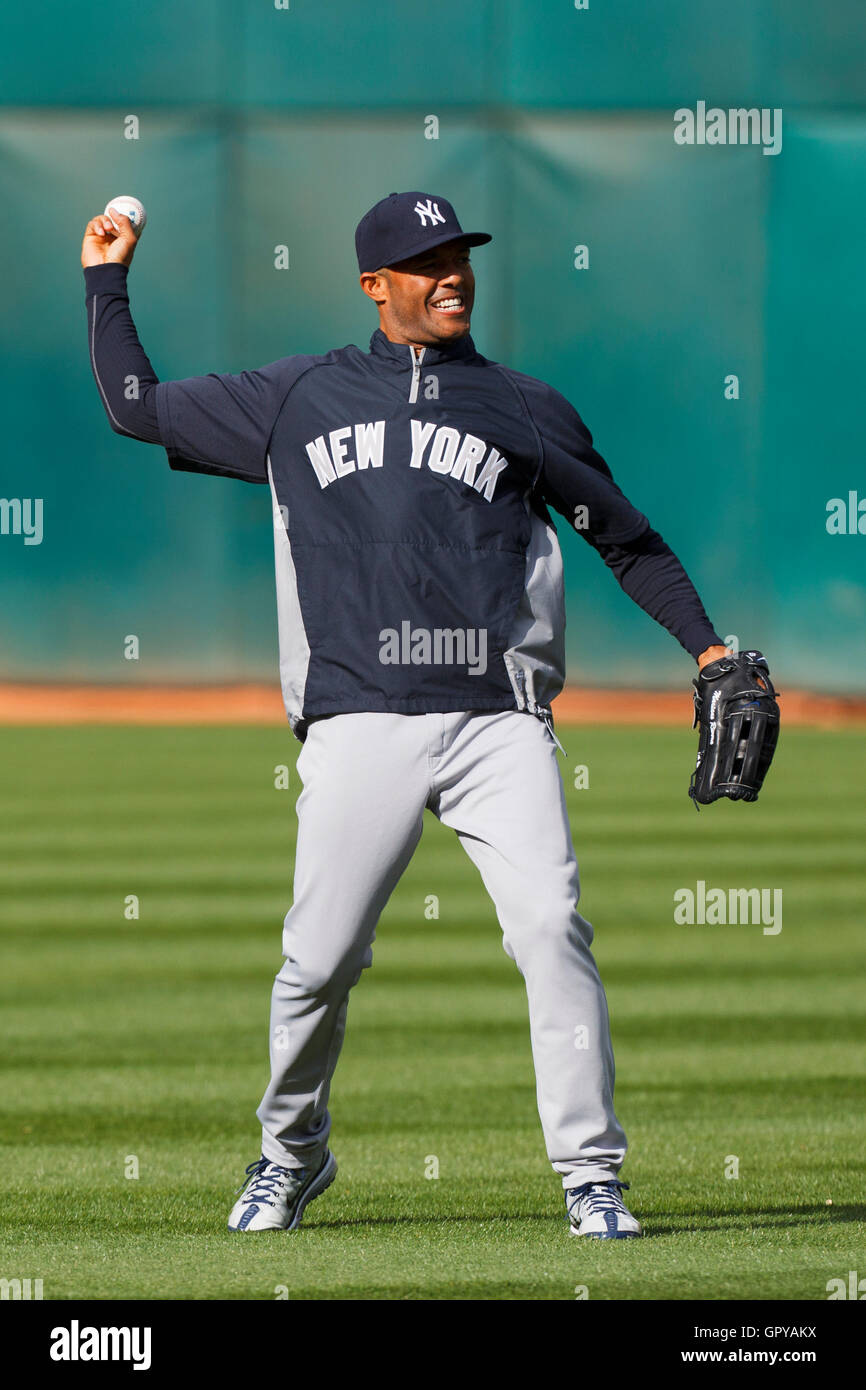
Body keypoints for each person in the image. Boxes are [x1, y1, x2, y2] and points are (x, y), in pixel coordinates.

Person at [82, 190, 729, 1240]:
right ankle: (290, 1156)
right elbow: (134, 405)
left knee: (551, 929)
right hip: (355, 717)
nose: (451, 274)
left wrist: (704, 646)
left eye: (459, 254)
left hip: (496, 720)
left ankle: (590, 1175)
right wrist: (105, 281)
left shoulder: (524, 407)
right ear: (374, 285)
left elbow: (627, 538)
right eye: (426, 261)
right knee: (319, 960)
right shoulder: (298, 396)